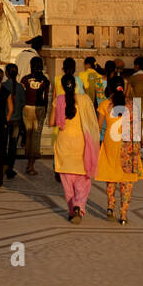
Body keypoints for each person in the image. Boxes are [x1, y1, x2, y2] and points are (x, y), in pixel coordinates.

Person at [96, 76, 143, 225]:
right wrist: (141, 140)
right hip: (128, 144)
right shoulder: (131, 105)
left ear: (109, 88)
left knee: (111, 175)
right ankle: (123, 214)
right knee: (127, 179)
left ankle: (111, 205)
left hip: (111, 142)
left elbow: (98, 127)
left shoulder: (105, 104)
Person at [53, 70, 100, 223]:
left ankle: (72, 210)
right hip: (80, 143)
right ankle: (79, 205)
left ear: (62, 86)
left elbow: (52, 122)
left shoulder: (58, 100)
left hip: (63, 143)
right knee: (82, 179)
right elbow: (92, 121)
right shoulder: (85, 100)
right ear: (75, 85)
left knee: (67, 181)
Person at [22, 56, 50, 175]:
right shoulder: (45, 80)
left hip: (27, 108)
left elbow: (22, 95)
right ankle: (31, 165)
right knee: (36, 137)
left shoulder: (25, 79)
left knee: (28, 135)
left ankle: (28, 161)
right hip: (39, 109)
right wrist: (46, 111)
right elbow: (46, 98)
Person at [2, 63, 26, 180]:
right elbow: (22, 104)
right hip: (16, 120)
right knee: (12, 145)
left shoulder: (3, 86)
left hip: (5, 119)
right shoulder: (21, 87)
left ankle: (4, 165)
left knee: (3, 143)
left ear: (6, 73)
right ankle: (10, 168)